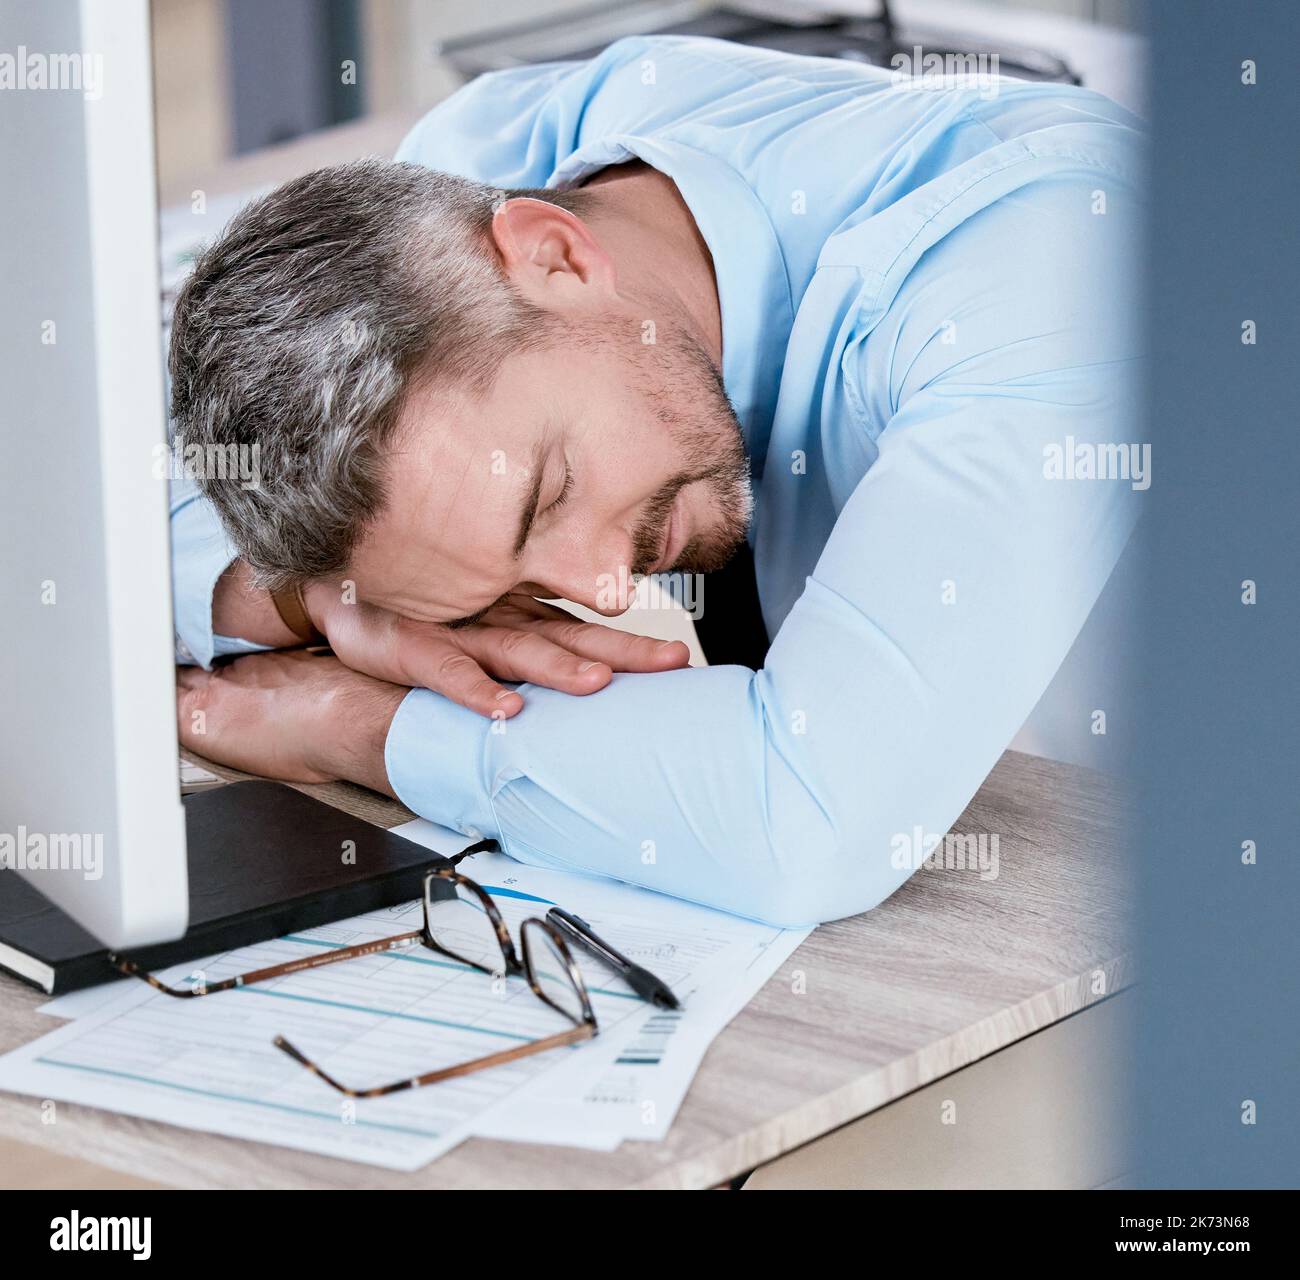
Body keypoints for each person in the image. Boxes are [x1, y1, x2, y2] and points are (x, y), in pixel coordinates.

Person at [168, 36, 1145, 926]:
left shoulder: (1046, 266)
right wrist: (331, 602)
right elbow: (103, 515)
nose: (604, 587)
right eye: (508, 574)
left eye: (548, 492)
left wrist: (358, 725)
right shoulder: (459, 198)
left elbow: (807, 818)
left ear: (554, 253)